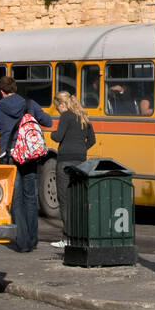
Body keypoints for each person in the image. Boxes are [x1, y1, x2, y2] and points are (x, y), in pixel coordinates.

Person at [0, 75, 53, 252]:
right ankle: (33, 240)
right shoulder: (29, 104)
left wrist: (1, 142)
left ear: (1, 91)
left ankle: (22, 241)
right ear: (15, 89)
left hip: (9, 156)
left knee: (15, 199)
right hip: (29, 155)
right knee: (30, 197)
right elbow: (47, 121)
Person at [50, 90, 96, 247]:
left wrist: (52, 134)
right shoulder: (83, 115)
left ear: (62, 104)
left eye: (58, 108)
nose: (59, 111)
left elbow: (58, 136)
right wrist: (81, 148)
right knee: (78, 198)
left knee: (64, 199)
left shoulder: (66, 115)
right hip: (81, 161)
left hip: (65, 161)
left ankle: (67, 238)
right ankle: (81, 236)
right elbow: (92, 140)